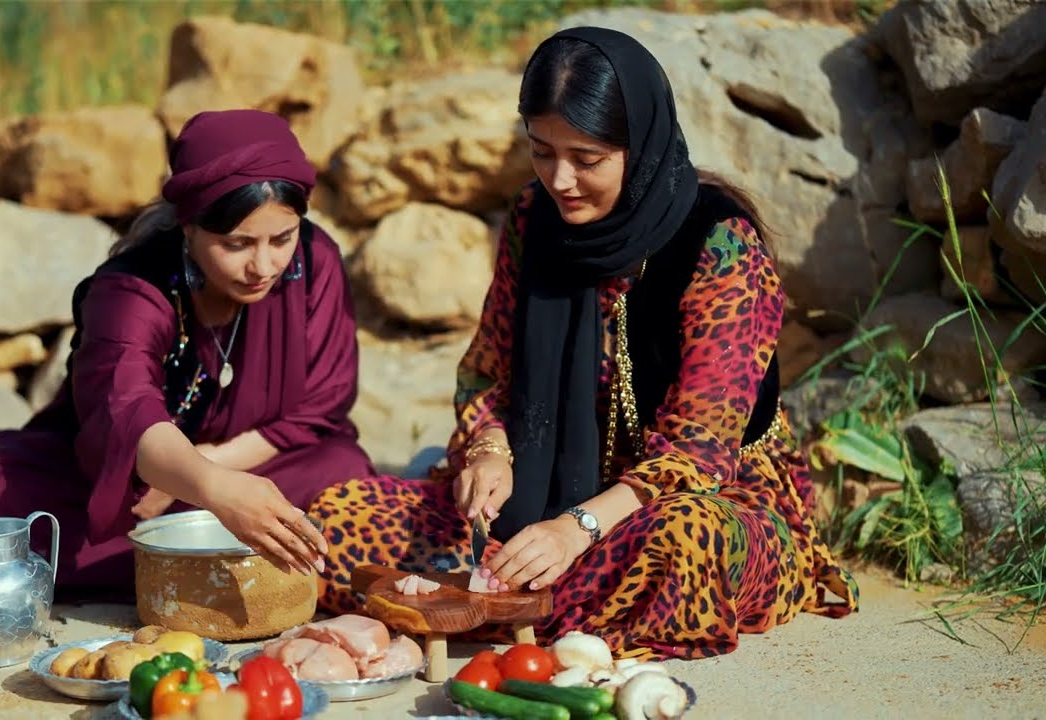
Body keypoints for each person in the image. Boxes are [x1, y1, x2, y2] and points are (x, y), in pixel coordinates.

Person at [311, 27, 858, 660]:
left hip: (688, 503)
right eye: (541, 151)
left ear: (642, 147)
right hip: (539, 501)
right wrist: (490, 453)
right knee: (339, 515)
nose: (560, 180)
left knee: (688, 548)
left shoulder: (720, 248)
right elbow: (487, 373)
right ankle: (508, 604)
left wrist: (579, 527)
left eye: (587, 159)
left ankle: (460, 602)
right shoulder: (532, 221)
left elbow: (699, 453)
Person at [0, 109, 372, 600]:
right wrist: (209, 489)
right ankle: (228, 568)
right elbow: (125, 410)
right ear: (189, 229)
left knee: (343, 469)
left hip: (246, 468)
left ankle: (168, 565)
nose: (263, 265)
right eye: (237, 243)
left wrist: (205, 471)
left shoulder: (315, 261)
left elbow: (317, 408)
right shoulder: (132, 288)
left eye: (281, 239)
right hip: (122, 483)